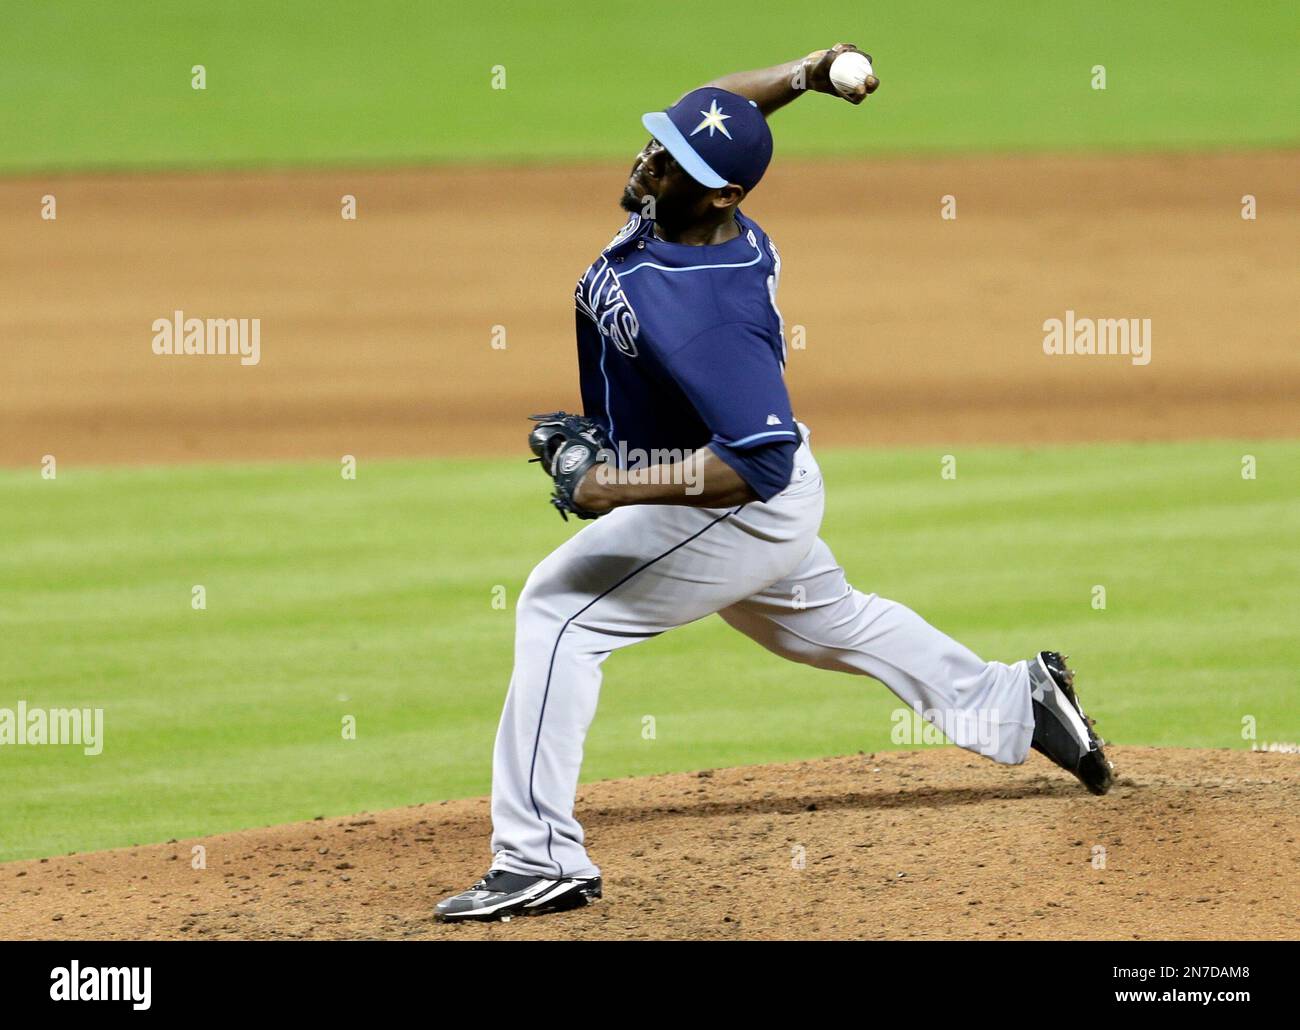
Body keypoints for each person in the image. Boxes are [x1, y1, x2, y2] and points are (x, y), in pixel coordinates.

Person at [435, 44, 1112, 923]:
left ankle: (538, 860)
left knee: (559, 612)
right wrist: (808, 73)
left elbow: (760, 459)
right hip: (760, 504)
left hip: (740, 506)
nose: (646, 163)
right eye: (656, 145)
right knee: (828, 622)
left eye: (672, 163)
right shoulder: (684, 210)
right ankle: (1012, 698)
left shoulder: (709, 307)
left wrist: (612, 483)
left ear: (720, 194)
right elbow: (716, 103)